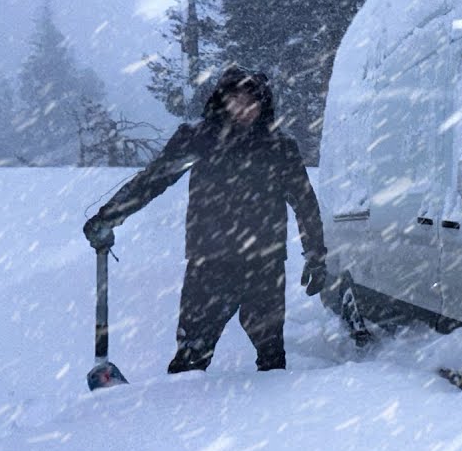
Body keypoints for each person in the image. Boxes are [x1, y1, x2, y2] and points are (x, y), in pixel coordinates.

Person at [82, 66, 328, 373]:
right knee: (190, 359)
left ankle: (272, 414)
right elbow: (153, 180)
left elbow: (305, 203)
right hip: (210, 265)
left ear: (264, 104)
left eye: (253, 100)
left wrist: (315, 254)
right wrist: (109, 216)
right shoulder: (199, 138)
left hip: (265, 266)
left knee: (272, 359)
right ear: (222, 100)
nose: (244, 107)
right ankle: (185, 414)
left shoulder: (279, 147)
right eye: (236, 98)